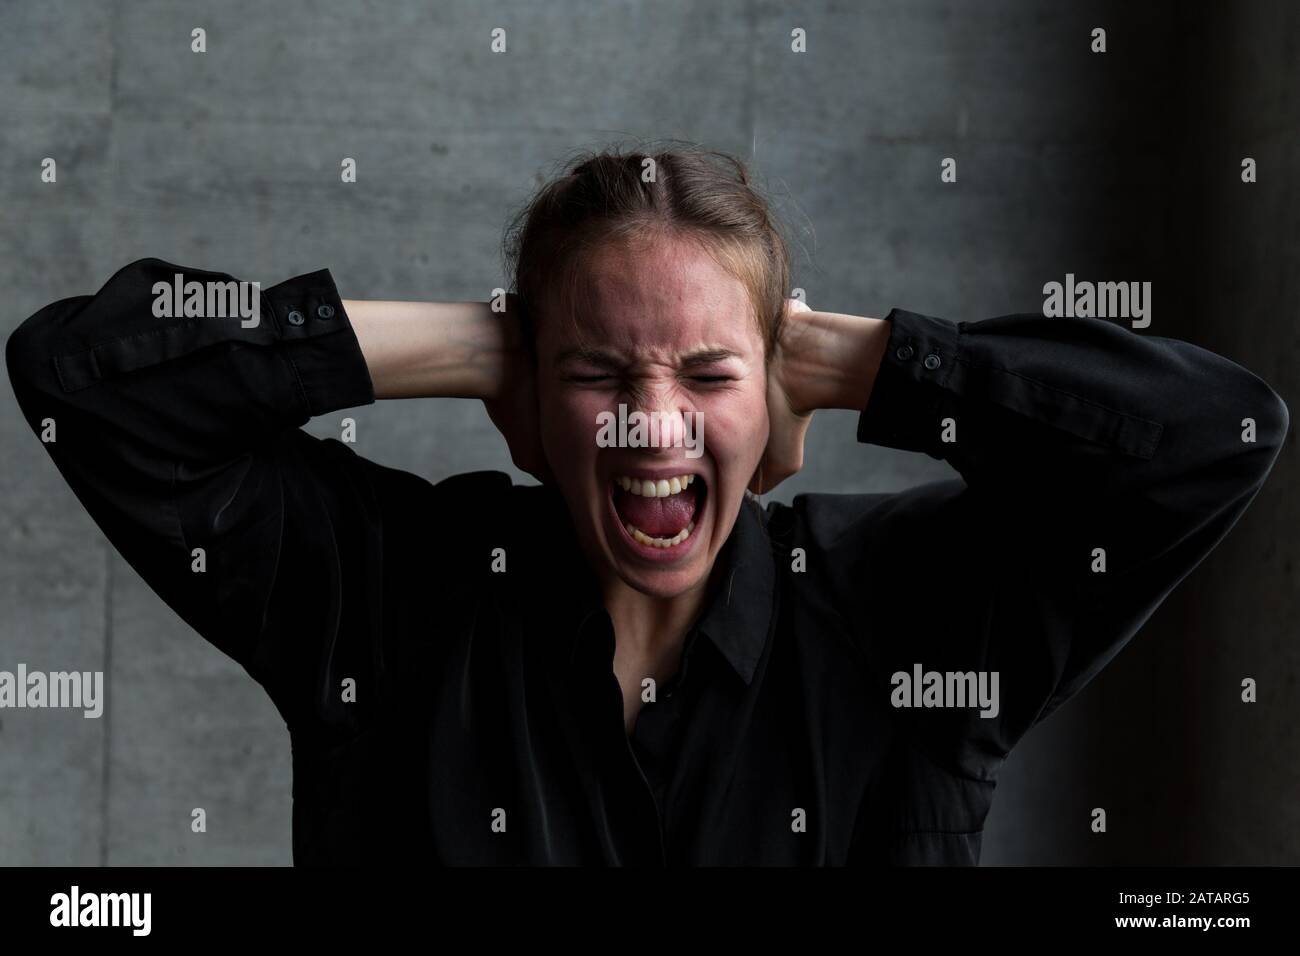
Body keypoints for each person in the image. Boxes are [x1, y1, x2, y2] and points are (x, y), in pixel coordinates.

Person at [6, 146, 1288, 865]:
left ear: (776, 390)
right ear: (522, 399)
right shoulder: (388, 598)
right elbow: (82, 382)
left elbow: (1207, 437)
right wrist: (465, 345)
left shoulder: (908, 619)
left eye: (710, 375)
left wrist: (863, 362)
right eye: (596, 373)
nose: (654, 422)